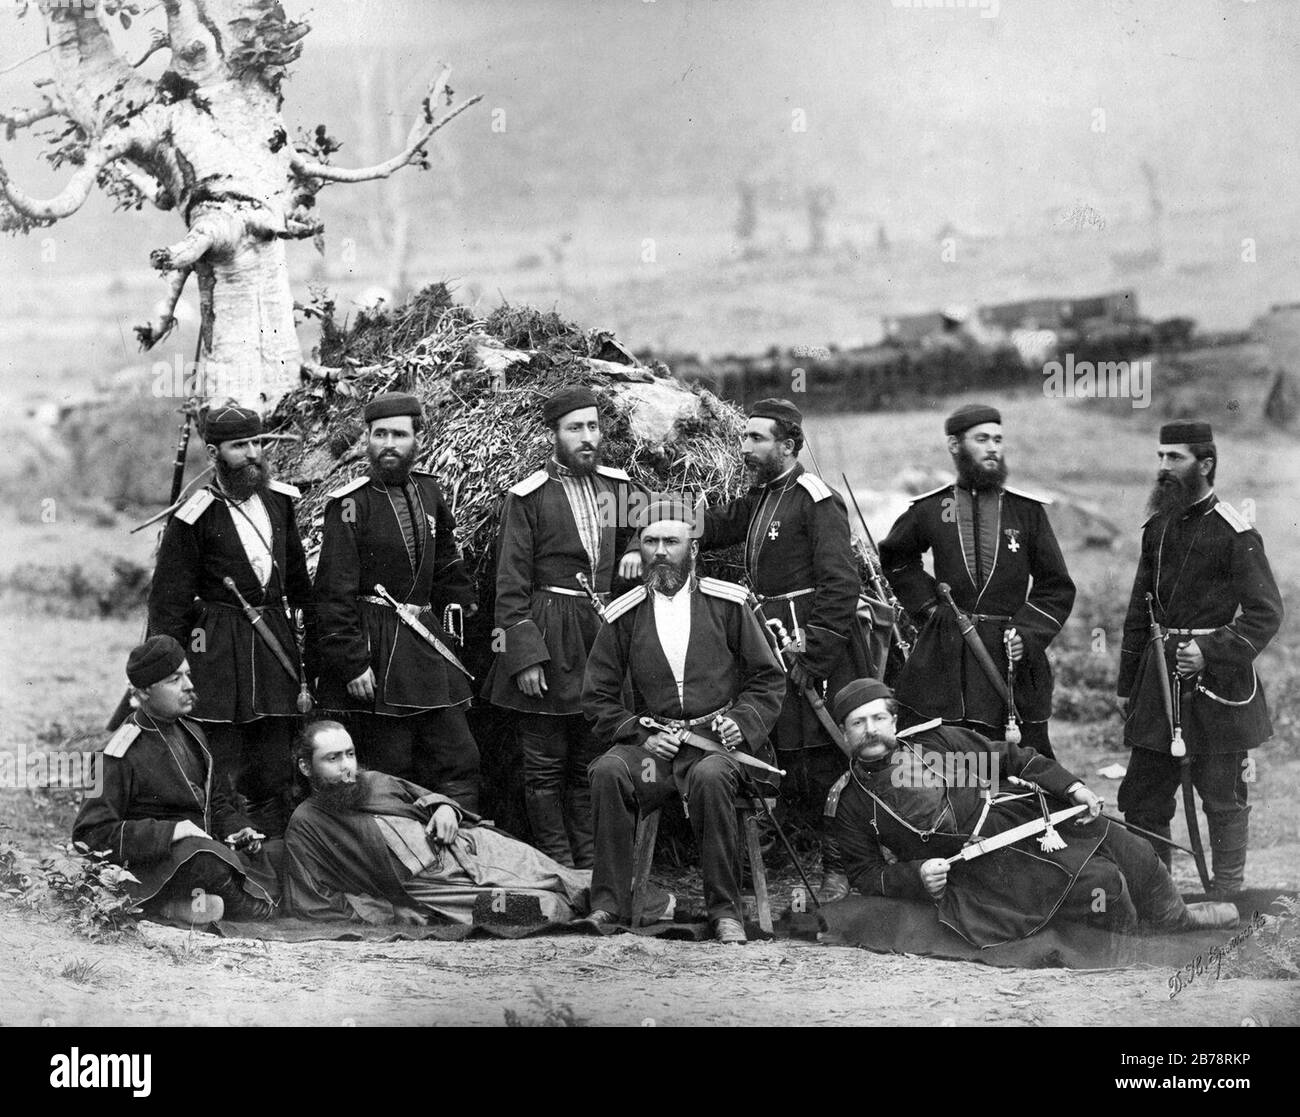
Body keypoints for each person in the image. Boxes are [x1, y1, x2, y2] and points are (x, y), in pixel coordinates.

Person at [824, 679, 1239, 948]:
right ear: (843, 733)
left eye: (879, 717)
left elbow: (1009, 758)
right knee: (1101, 882)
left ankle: (1175, 920)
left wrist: (1071, 786)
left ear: (893, 720)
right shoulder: (852, 803)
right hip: (980, 869)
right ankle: (1136, 948)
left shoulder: (933, 747)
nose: (871, 729)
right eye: (858, 723)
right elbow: (864, 873)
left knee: (1130, 847)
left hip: (1019, 819)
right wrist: (915, 876)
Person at [582, 497, 787, 943]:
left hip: (716, 744)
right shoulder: (625, 614)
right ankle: (607, 905)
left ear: (692, 549)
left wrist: (742, 722)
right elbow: (596, 695)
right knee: (609, 771)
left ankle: (725, 911)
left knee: (713, 777)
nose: (659, 551)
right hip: (656, 751)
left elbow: (768, 679)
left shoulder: (728, 604)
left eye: (670, 542)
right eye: (650, 541)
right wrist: (640, 735)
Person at [690, 397, 862, 901]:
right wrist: (652, 527)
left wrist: (817, 654)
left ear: (787, 446)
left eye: (756, 438)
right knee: (775, 747)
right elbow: (716, 525)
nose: (745, 446)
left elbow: (841, 583)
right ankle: (760, 862)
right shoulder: (761, 495)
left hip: (810, 646)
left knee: (829, 757)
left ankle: (837, 868)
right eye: (744, 436)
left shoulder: (816, 499)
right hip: (768, 643)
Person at [1116, 421, 1283, 898]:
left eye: (1176, 458)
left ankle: (1227, 895)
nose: (1164, 467)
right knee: (1144, 796)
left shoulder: (1235, 532)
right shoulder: (1158, 527)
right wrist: (1127, 687)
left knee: (1222, 794)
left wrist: (1209, 651)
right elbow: (1136, 612)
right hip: (1159, 681)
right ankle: (1158, 896)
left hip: (1218, 684)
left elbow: (1265, 613)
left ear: (1205, 464)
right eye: (1161, 457)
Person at [483, 385, 644, 868]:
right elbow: (509, 587)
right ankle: (557, 860)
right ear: (553, 434)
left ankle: (591, 860)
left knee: (589, 760)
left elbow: (659, 519)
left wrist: (635, 545)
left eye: (593, 427)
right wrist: (525, 656)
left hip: (602, 634)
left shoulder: (616, 488)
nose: (587, 437)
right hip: (550, 633)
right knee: (544, 766)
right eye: (575, 428)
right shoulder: (529, 498)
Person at [311, 391, 482, 810]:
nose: (389, 443)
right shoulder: (350, 505)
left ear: (416, 440)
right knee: (393, 761)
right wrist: (352, 661)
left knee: (459, 756)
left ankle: (463, 851)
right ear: (366, 439)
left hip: (425, 640)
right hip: (377, 647)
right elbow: (333, 591)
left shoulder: (429, 492)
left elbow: (446, 565)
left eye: (399, 435)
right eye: (380, 434)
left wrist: (460, 607)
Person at [148, 405, 311, 836]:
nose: (253, 453)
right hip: (217, 650)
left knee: (275, 765)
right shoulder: (194, 515)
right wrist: (163, 668)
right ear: (214, 451)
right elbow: (169, 601)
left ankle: (276, 856)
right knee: (223, 762)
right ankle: (227, 855)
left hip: (274, 644)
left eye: (257, 442)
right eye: (240, 445)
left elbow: (298, 581)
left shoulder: (280, 501)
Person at [879, 403, 1075, 758]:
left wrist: (1028, 635)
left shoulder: (1026, 511)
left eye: (998, 440)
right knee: (945, 755)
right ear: (955, 446)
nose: (993, 448)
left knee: (1023, 760)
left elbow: (1056, 586)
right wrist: (930, 610)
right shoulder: (933, 508)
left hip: (1009, 656)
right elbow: (896, 558)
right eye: (982, 439)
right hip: (947, 654)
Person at [282, 720, 591, 927]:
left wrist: (444, 809)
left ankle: (613, 899)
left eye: (349, 754)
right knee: (542, 908)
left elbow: (430, 798)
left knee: (562, 876)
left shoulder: (374, 780)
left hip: (469, 849)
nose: (347, 766)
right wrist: (390, 912)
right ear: (306, 767)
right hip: (436, 890)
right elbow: (313, 901)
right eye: (333, 759)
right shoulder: (307, 823)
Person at [73, 636, 279, 925]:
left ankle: (180, 907)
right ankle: (241, 907)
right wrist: (170, 832)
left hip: (202, 851)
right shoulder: (117, 753)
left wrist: (236, 829)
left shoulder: (192, 732)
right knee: (203, 859)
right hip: (154, 865)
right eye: (174, 679)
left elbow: (213, 802)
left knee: (275, 850)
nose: (189, 686)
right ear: (144, 691)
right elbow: (90, 832)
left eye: (188, 675)